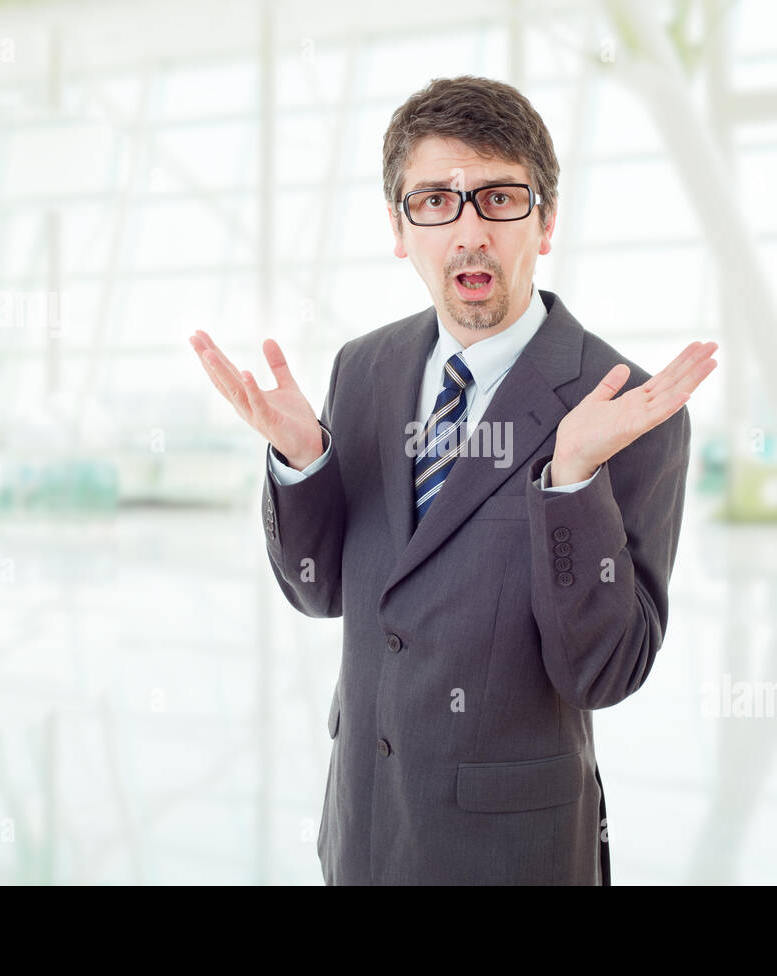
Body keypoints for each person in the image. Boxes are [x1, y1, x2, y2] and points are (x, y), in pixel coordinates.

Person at [189, 75, 717, 884]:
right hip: (364, 831)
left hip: (513, 853)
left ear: (544, 222)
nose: (468, 230)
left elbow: (605, 672)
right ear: (401, 230)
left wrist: (570, 483)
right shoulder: (364, 369)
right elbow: (320, 591)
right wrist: (305, 465)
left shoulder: (628, 407)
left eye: (499, 198)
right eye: (434, 200)